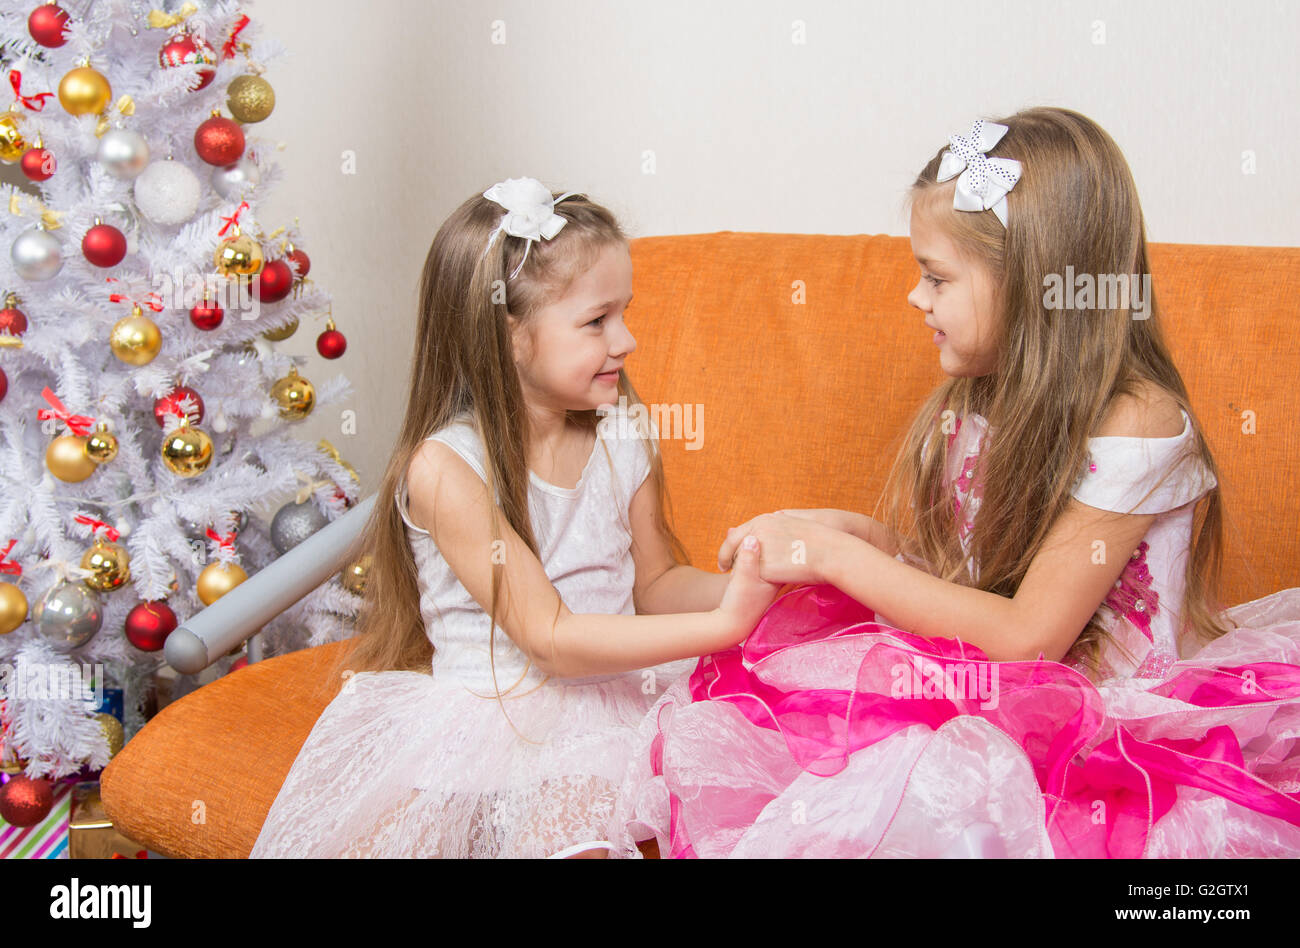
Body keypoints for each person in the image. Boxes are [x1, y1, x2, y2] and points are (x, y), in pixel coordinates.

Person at [613, 109, 1300, 858]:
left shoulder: (1138, 422)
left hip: (1111, 736)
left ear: (1035, 287)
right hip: (997, 701)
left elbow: (1025, 636)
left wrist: (830, 557)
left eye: (937, 276)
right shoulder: (980, 396)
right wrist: (856, 535)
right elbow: (969, 586)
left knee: (935, 788)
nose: (916, 297)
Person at [250, 178, 778, 859]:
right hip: (485, 717)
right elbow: (548, 636)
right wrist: (721, 625)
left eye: (626, 312)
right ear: (511, 338)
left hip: (611, 709)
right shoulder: (446, 469)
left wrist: (759, 583)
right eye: (597, 321)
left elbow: (656, 584)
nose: (629, 340)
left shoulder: (621, 430)